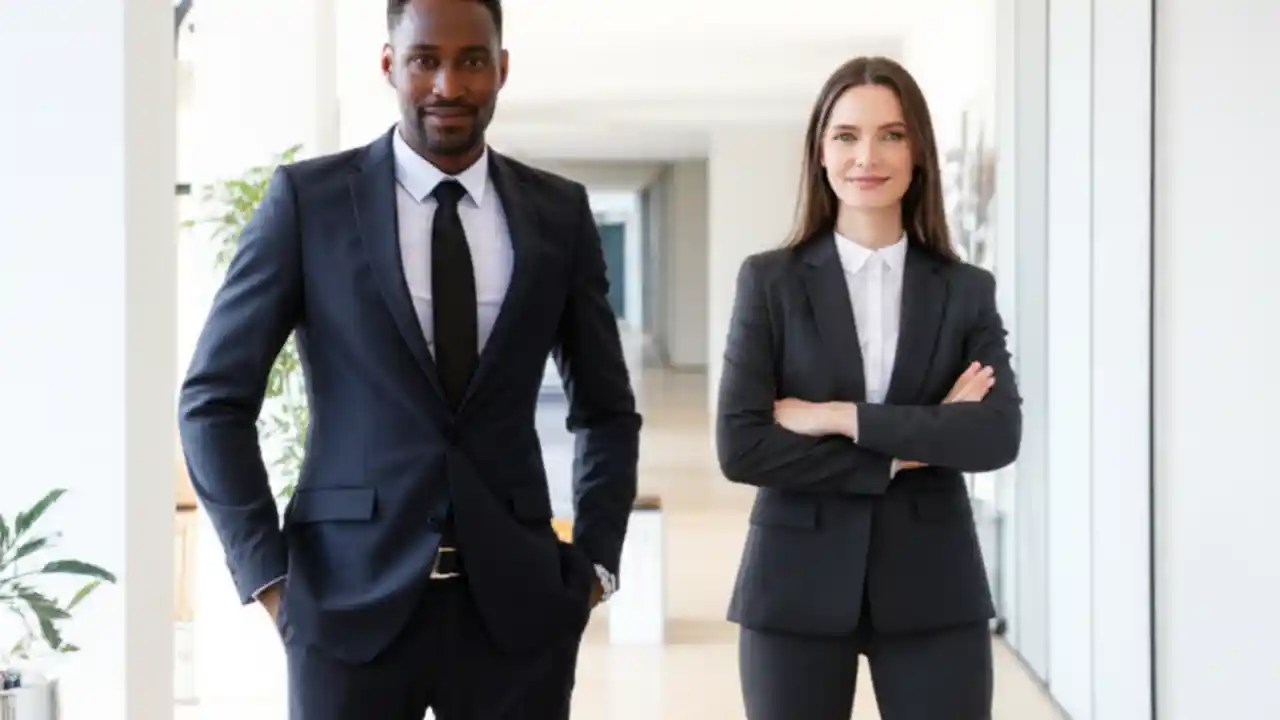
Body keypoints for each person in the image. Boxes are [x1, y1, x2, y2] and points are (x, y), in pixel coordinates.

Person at [177, 0, 642, 717]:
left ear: (502, 68)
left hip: (516, 615)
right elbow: (213, 401)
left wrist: (594, 567)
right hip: (345, 605)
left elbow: (607, 410)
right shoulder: (310, 204)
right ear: (391, 63)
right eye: (425, 59)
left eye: (472, 61)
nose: (448, 85)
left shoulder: (558, 215)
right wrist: (270, 578)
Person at [716, 55, 1021, 720]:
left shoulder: (966, 289)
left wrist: (839, 417)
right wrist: (914, 444)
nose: (867, 156)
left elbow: (996, 435)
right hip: (793, 584)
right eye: (846, 135)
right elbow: (743, 447)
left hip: (934, 587)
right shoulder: (769, 282)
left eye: (891, 134)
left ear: (918, 154)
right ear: (821, 153)